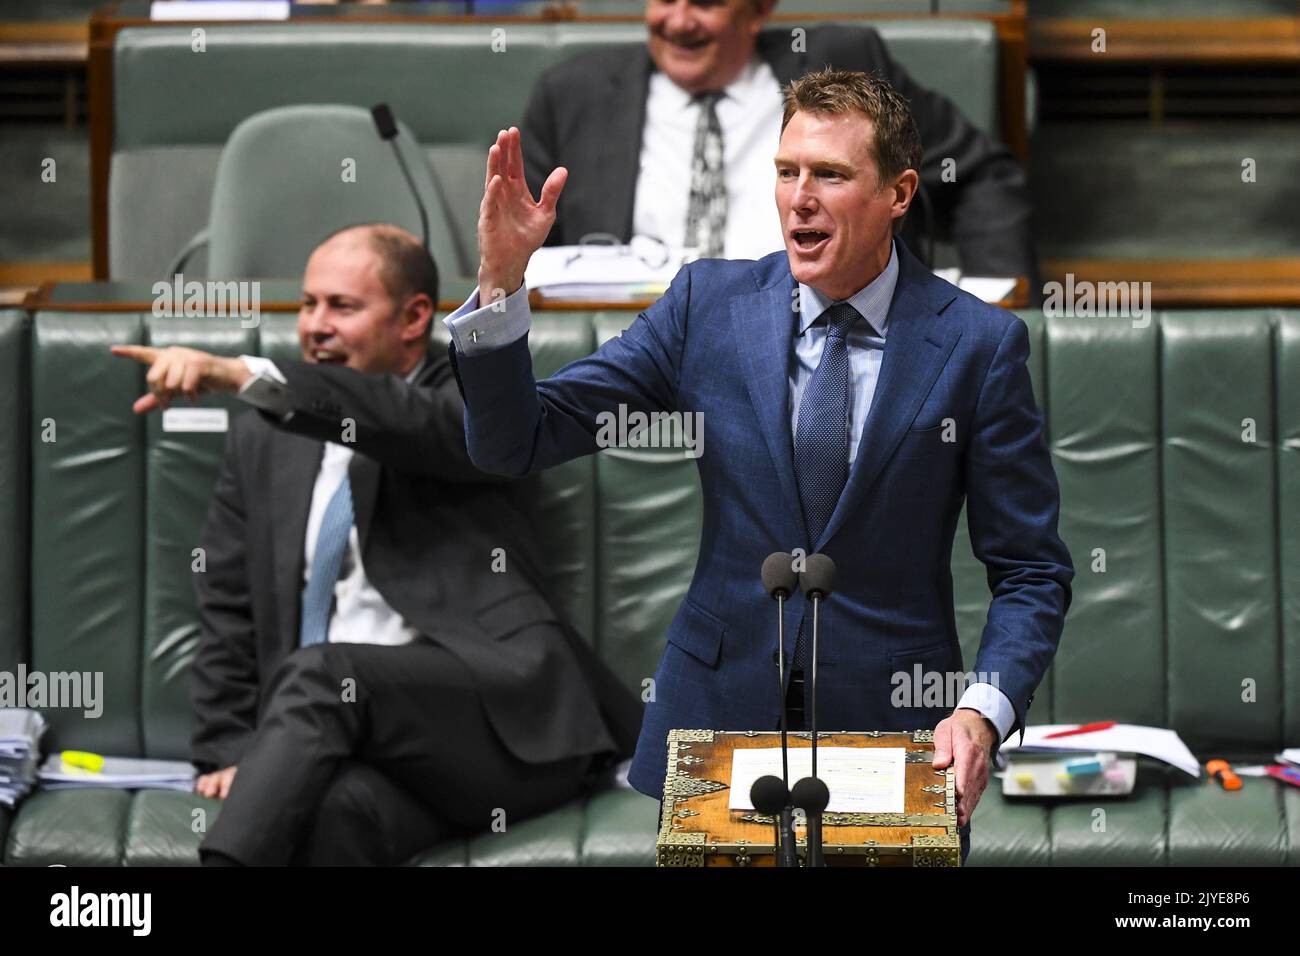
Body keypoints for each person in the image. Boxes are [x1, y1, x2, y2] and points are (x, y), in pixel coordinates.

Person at [446, 69, 1073, 865]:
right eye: (787, 172)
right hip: (718, 715)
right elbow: (518, 441)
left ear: (900, 193)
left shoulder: (979, 346)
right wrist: (501, 285)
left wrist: (982, 712)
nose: (800, 198)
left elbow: (1031, 571)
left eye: (832, 175)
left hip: (895, 726)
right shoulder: (707, 307)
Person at [111, 223, 641, 866]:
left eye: (342, 306)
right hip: (354, 742)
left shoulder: (476, 406)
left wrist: (243, 374)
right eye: (307, 305)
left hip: (501, 731)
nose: (315, 326)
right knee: (337, 814)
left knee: (324, 675)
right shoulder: (263, 439)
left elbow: (393, 416)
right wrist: (227, 749)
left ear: (415, 317)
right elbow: (229, 606)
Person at [522, 0, 1036, 282]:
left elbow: (981, 178)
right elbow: (521, 238)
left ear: (760, 9)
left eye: (705, 2)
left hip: (814, 333)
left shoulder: (844, 61)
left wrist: (995, 308)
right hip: (630, 340)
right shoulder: (572, 94)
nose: (678, 21)